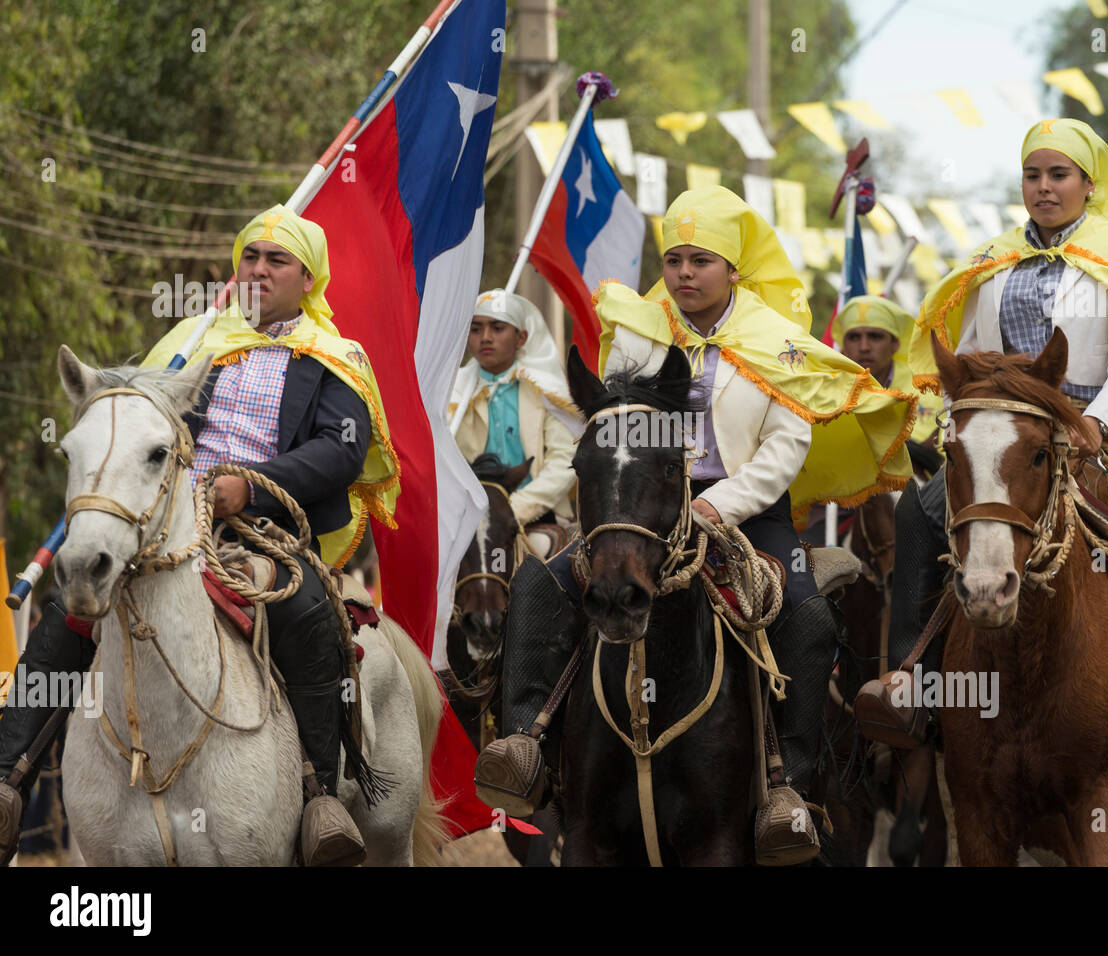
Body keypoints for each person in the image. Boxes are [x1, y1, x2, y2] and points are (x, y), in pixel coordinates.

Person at [473, 184, 915, 865]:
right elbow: (614, 422)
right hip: (639, 511)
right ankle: (528, 745)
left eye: (700, 260)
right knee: (539, 584)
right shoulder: (640, 332)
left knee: (807, 615)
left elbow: (786, 447)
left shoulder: (778, 344)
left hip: (740, 512)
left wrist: (717, 506)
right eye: (674, 257)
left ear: (733, 269)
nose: (683, 272)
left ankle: (785, 791)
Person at [0, 205, 399, 867]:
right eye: (250, 257)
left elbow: (340, 452)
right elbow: (129, 424)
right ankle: (9, 779)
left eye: (277, 260)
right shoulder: (195, 340)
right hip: (167, 515)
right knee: (67, 615)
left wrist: (255, 484)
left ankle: (321, 795)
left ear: (308, 279)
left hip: (260, 529)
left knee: (304, 615)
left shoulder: (335, 358)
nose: (260, 270)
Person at [855, 119, 1108, 776]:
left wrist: (1095, 427)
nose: (1045, 188)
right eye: (1033, 175)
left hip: (1095, 428)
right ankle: (911, 680)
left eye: (1059, 175)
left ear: (1088, 183)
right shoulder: (992, 259)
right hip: (1004, 429)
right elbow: (965, 350)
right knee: (916, 511)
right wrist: (963, 422)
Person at [448, 289, 582, 555]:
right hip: (467, 521)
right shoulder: (452, 394)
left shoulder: (546, 390)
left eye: (497, 328)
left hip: (538, 518)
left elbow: (565, 462)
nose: (485, 337)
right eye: (475, 329)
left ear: (521, 337)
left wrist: (515, 509)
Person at [833, 294, 945, 446]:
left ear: (895, 344)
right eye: (854, 337)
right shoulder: (826, 388)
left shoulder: (928, 388)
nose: (864, 347)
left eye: (875, 336)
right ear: (843, 347)